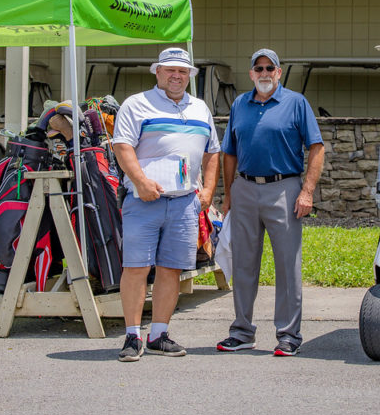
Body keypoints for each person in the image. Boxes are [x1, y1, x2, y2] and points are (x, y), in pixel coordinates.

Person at [111, 47, 220, 362]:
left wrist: (209, 190)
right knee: (136, 267)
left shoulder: (200, 108)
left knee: (172, 269)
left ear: (189, 76)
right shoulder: (137, 104)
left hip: (185, 202)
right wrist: (142, 182)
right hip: (144, 200)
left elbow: (213, 151)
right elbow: (122, 146)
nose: (176, 75)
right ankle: (132, 336)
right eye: (170, 70)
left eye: (182, 71)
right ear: (157, 72)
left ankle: (158, 333)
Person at [217, 48, 325, 356]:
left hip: (284, 188)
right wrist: (228, 195)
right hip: (246, 189)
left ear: (279, 72)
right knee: (243, 263)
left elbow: (317, 147)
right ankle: (241, 331)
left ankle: (289, 335)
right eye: (258, 68)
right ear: (251, 74)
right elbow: (229, 152)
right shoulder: (240, 104)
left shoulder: (296, 103)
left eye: (270, 68)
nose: (264, 73)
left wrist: (307, 191)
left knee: (287, 266)